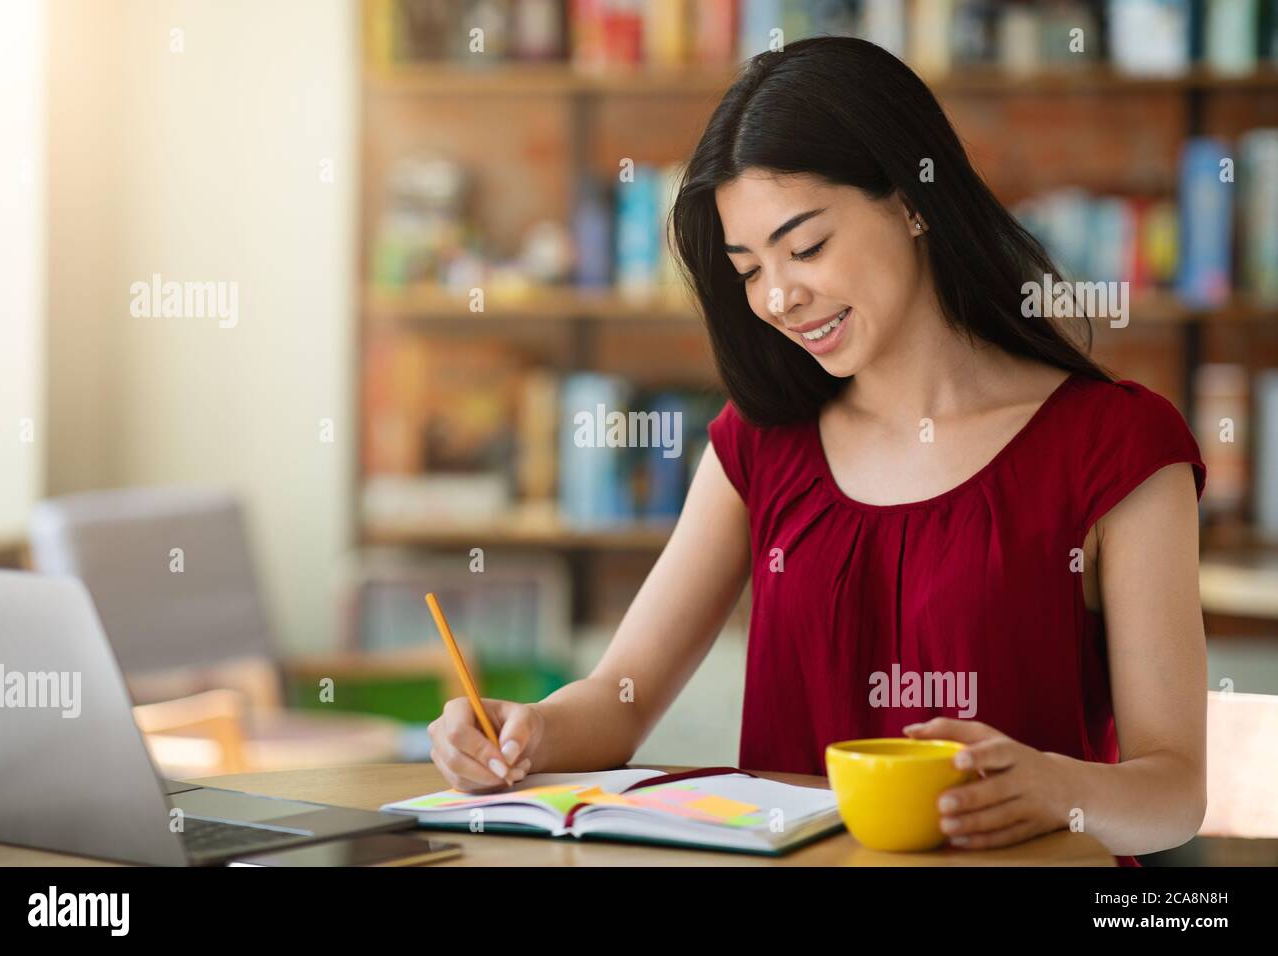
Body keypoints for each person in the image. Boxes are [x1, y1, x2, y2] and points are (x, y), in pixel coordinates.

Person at [427, 37, 1208, 865]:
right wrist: (527, 730)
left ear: (912, 201)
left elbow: (1176, 793)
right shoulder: (758, 445)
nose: (777, 297)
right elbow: (620, 702)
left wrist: (1060, 786)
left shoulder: (1118, 448)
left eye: (804, 248)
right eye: (748, 269)